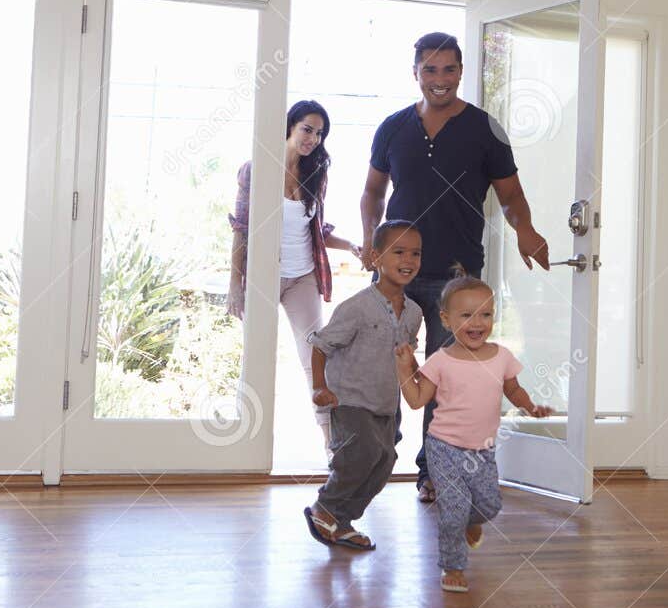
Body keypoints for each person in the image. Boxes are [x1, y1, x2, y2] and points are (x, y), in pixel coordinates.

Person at [361, 31, 550, 503]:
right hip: (395, 274)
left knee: (446, 380)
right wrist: (369, 239)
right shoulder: (392, 127)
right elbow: (372, 192)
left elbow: (511, 196)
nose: (439, 79)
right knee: (389, 369)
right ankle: (373, 462)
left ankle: (433, 472)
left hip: (456, 277)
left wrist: (526, 229)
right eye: (430, 69)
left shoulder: (487, 129)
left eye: (448, 69)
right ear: (416, 73)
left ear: (461, 72)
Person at [396, 269, 551, 592]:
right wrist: (403, 370)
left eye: (486, 314)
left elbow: (513, 389)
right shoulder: (440, 361)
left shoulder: (501, 356)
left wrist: (530, 406)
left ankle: (470, 523)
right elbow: (415, 400)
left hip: (483, 449)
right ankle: (452, 566)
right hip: (444, 447)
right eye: (467, 315)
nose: (477, 323)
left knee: (489, 506)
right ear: (446, 320)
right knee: (452, 507)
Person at [228, 100, 362, 453]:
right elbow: (241, 229)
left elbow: (316, 230)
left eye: (319, 134)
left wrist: (352, 246)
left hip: (303, 277)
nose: (313, 139)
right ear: (289, 127)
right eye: (307, 129)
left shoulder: (316, 173)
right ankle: (246, 445)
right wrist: (235, 286)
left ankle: (331, 443)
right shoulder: (256, 170)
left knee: (315, 359)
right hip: (263, 275)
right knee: (256, 355)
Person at [302, 221, 424, 551]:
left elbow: (406, 354)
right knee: (361, 453)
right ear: (375, 257)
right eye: (399, 251)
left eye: (416, 253)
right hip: (350, 399)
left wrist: (417, 377)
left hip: (386, 402)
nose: (408, 260)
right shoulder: (356, 307)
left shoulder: (414, 312)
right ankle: (325, 507)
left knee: (384, 462)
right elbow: (320, 345)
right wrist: (319, 387)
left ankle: (340, 520)